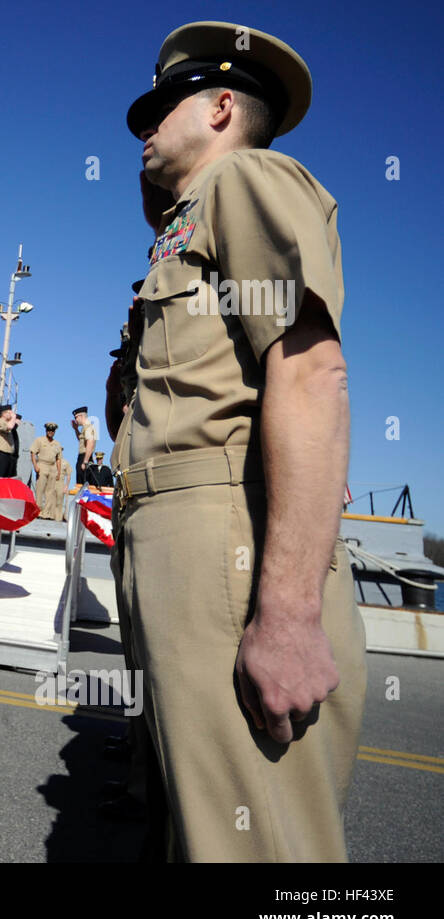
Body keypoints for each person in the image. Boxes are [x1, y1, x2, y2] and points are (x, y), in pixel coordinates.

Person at [114, 20, 366, 861]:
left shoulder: (248, 180)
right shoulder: (185, 223)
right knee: (201, 834)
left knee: (259, 851)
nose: (143, 126)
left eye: (161, 106)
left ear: (223, 105)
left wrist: (289, 613)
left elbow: (309, 370)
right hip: (173, 537)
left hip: (224, 535)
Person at [30, 423, 65, 520]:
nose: (51, 432)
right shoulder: (40, 440)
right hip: (42, 465)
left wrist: (58, 471)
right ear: (46, 431)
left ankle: (47, 513)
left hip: (52, 467)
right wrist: (35, 466)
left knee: (50, 491)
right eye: (49, 431)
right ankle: (38, 512)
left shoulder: (57, 444)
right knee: (40, 490)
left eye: (52, 431)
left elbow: (58, 459)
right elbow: (33, 453)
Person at [70, 406, 96, 486]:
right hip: (83, 457)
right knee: (80, 484)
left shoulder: (88, 427)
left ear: (81, 416)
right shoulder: (84, 428)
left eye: (76, 417)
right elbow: (81, 440)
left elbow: (90, 443)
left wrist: (85, 461)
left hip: (85, 457)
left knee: (83, 486)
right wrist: (76, 429)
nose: (75, 420)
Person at [0, 404, 19, 477]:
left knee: (7, 480)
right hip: (0, 454)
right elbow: (9, 426)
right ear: (4, 414)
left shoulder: (7, 423)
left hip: (8, 455)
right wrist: (14, 418)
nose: (11, 414)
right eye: (9, 412)